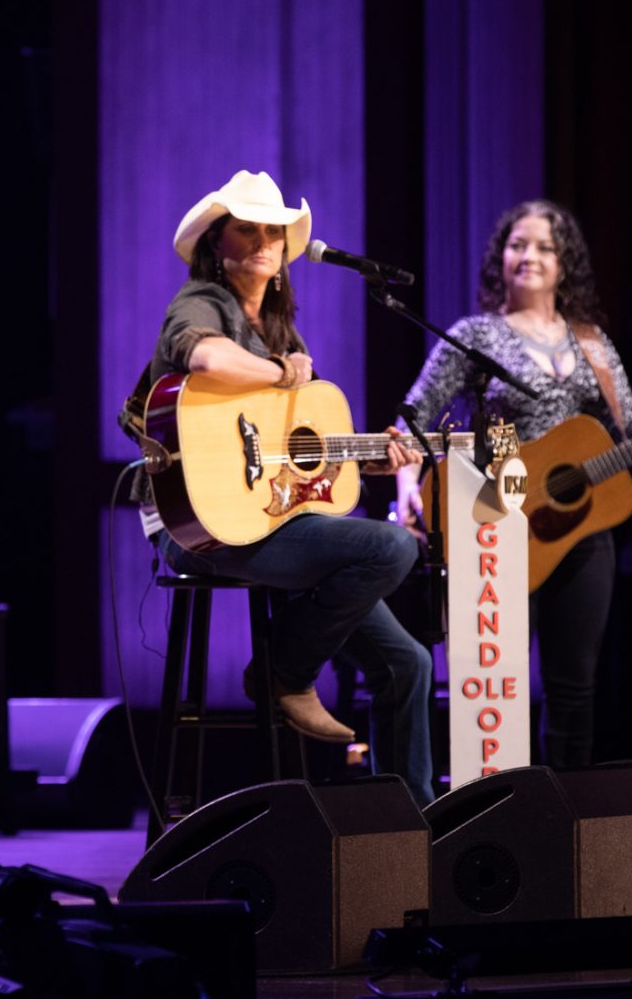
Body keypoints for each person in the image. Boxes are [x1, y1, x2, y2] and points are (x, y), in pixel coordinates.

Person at [139, 170, 434, 806]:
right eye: (248, 228)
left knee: (411, 664)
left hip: (270, 519)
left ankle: (409, 826)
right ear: (218, 244)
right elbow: (207, 360)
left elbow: (297, 462)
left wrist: (372, 459)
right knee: (392, 549)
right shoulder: (200, 302)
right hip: (196, 527)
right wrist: (277, 372)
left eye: (274, 230)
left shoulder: (284, 335)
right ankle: (283, 673)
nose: (265, 240)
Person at [395, 199, 632, 772]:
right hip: (500, 528)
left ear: (565, 265)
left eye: (544, 247)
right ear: (500, 259)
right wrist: (408, 477)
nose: (528, 256)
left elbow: (627, 422)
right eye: (517, 245)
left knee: (575, 688)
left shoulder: (593, 343)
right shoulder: (475, 335)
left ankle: (570, 811)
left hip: (582, 532)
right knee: (497, 680)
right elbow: (412, 416)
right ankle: (501, 804)